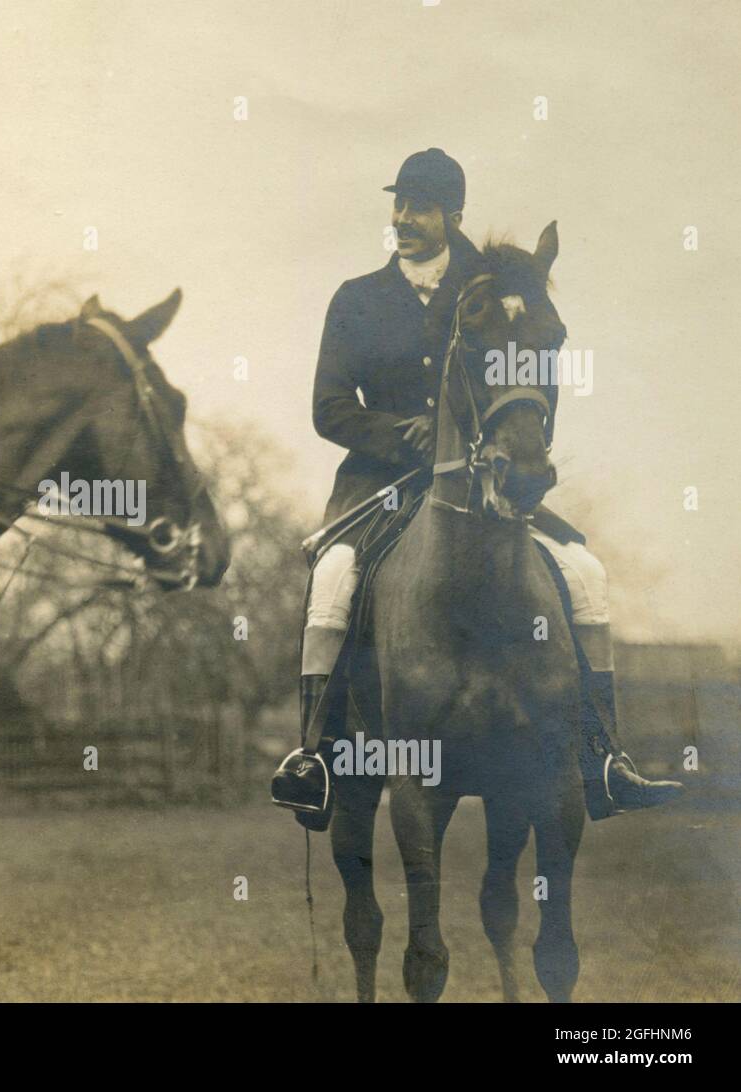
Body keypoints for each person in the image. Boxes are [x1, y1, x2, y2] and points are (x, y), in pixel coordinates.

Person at [271, 148, 682, 827]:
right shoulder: (357, 298)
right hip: (381, 485)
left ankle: (603, 754)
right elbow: (328, 408)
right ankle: (314, 755)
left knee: (585, 573)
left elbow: (530, 355)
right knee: (332, 580)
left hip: (484, 477)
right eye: (398, 203)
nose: (403, 218)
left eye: (420, 207)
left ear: (453, 214)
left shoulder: (488, 282)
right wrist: (398, 432)